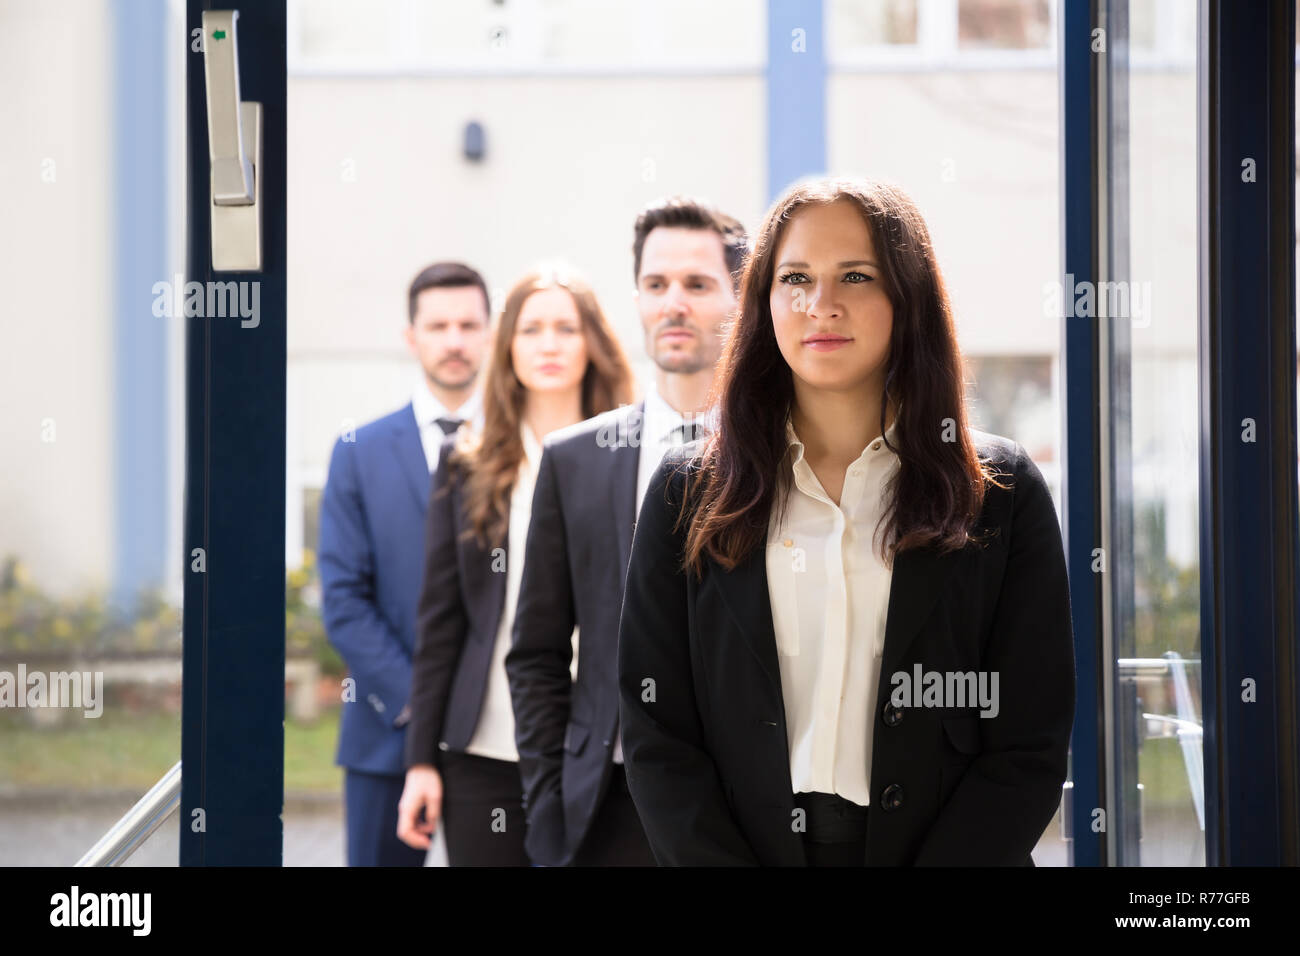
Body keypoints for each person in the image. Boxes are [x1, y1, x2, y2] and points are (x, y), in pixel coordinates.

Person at [617, 177, 1077, 866]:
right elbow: (657, 735)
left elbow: (1029, 742)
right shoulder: (687, 492)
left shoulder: (1000, 491)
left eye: (855, 276)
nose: (820, 305)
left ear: (906, 296)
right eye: (795, 277)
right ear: (764, 301)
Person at [506, 197, 750, 866]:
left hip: (745, 812)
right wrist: (548, 803)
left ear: (740, 297)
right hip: (603, 808)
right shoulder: (574, 459)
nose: (675, 303)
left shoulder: (783, 456)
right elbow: (536, 652)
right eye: (656, 284)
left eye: (698, 284)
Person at [396, 264, 634, 865]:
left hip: (604, 745)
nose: (549, 344)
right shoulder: (467, 461)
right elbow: (441, 620)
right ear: (506, 348)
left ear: (594, 344)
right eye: (530, 330)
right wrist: (421, 759)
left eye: (566, 328)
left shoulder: (636, 455)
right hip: (486, 748)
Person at [319, 261, 490, 867]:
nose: (453, 340)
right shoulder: (358, 453)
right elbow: (342, 599)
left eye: (468, 324)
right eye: (438, 325)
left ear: (490, 332)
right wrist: (419, 698)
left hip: (498, 732)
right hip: (383, 731)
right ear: (410, 336)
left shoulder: (524, 450)